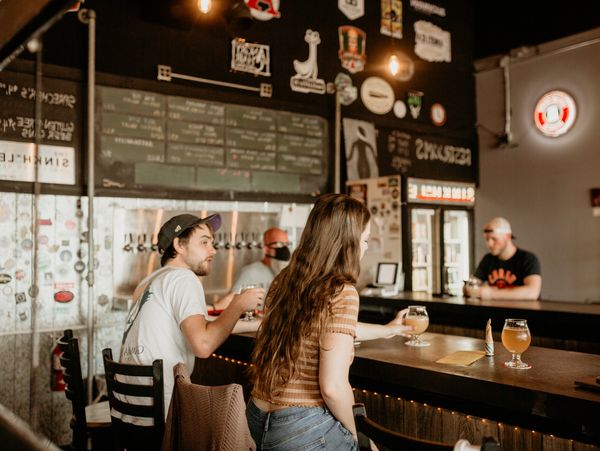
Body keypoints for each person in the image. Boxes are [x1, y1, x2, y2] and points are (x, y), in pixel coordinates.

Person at [246, 193, 412, 450]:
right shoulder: (342, 292)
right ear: (347, 243)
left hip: (256, 417)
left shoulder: (285, 280)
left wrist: (388, 330)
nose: (366, 248)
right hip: (301, 426)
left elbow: (327, 329)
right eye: (364, 240)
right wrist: (360, 436)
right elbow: (332, 387)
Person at [118, 213, 264, 425]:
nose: (213, 250)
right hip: (163, 415)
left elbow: (201, 326)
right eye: (204, 242)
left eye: (212, 243)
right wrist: (238, 305)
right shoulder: (183, 277)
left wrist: (257, 323)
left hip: (128, 411)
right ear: (179, 245)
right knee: (235, 421)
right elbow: (203, 345)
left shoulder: (149, 281)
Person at [464, 217, 542, 300]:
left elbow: (532, 293)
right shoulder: (488, 259)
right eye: (487, 239)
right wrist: (469, 288)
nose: (489, 244)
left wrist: (490, 293)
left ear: (508, 236)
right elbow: (472, 284)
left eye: (494, 239)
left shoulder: (528, 259)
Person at [231, 227, 291, 294]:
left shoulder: (290, 272)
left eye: (286, 244)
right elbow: (234, 298)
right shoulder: (249, 273)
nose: (284, 249)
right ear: (266, 249)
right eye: (279, 244)